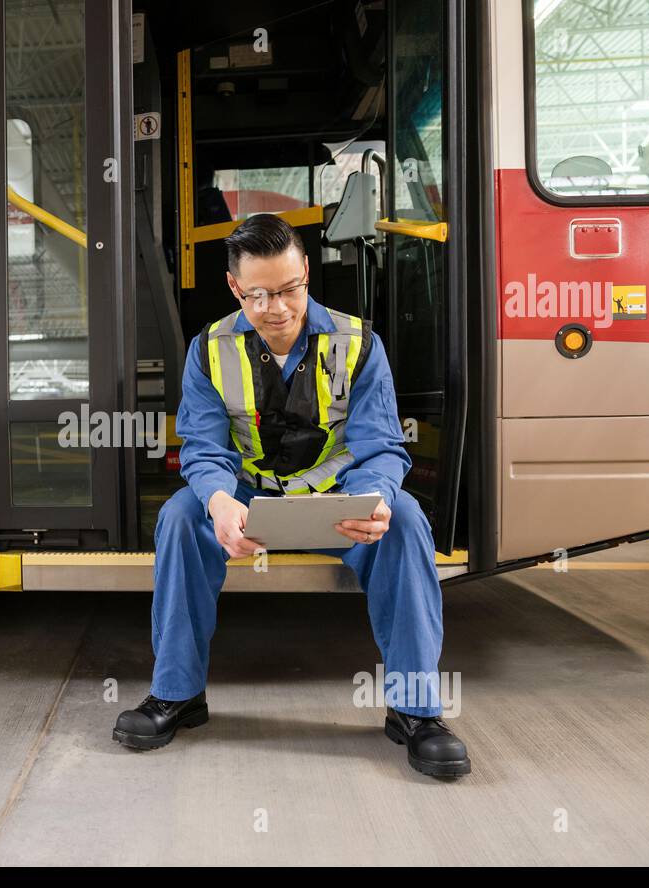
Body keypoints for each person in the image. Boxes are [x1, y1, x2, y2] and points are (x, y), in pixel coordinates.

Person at [112, 213, 470, 778]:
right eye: (258, 295)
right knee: (181, 515)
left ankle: (415, 711)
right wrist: (217, 501)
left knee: (403, 519)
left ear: (306, 272)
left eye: (288, 290)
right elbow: (204, 449)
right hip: (246, 505)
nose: (276, 308)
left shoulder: (360, 343)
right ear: (235, 287)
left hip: (339, 503)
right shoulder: (208, 350)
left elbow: (380, 444)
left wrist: (374, 497)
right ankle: (177, 694)